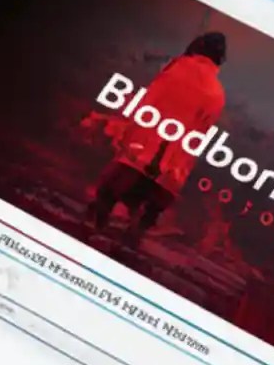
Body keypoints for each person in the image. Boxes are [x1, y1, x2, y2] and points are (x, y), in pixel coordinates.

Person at [84, 32, 228, 246]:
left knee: (106, 196)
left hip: (140, 154)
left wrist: (124, 135)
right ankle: (130, 241)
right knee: (144, 218)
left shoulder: (177, 67)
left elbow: (148, 102)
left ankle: (92, 233)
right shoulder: (218, 93)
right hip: (171, 171)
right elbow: (199, 136)